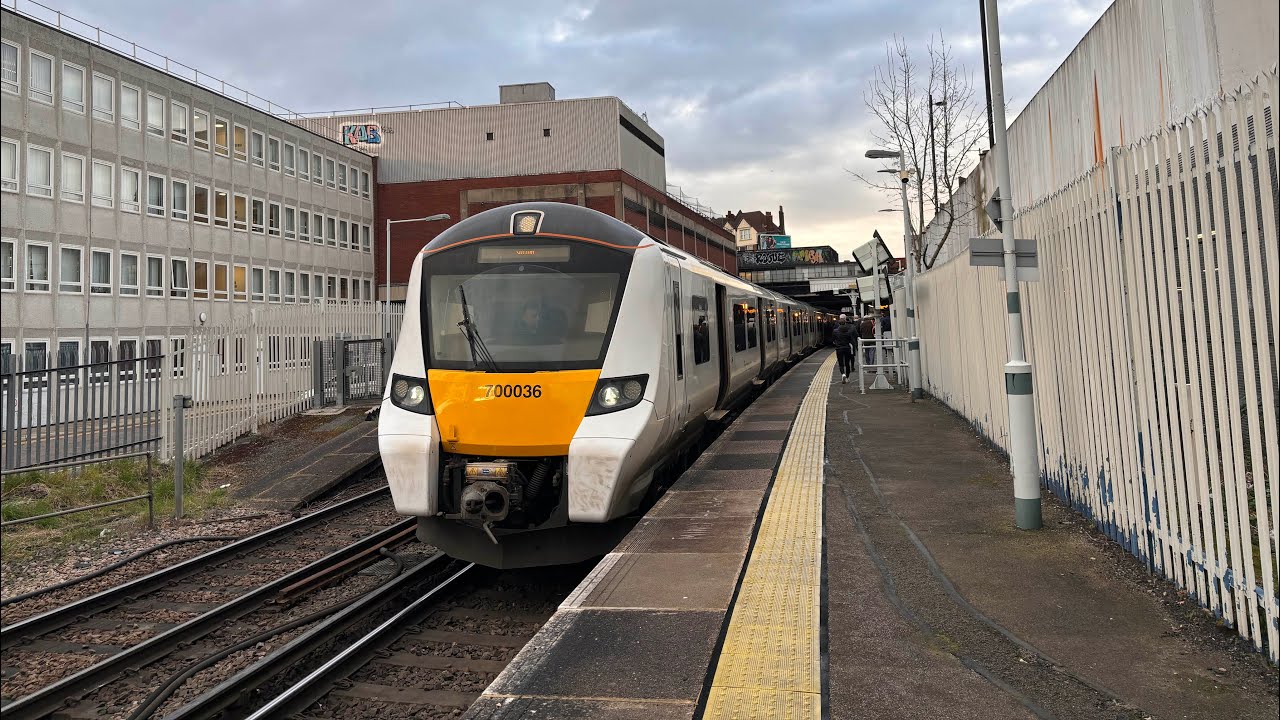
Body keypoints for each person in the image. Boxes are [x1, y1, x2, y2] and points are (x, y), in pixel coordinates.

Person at [832, 314, 858, 383]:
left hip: (839, 349)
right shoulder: (848, 332)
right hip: (847, 348)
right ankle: (847, 377)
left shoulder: (835, 331)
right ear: (845, 323)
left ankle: (843, 374)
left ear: (839, 324)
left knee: (841, 363)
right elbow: (850, 340)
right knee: (847, 363)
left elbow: (833, 339)